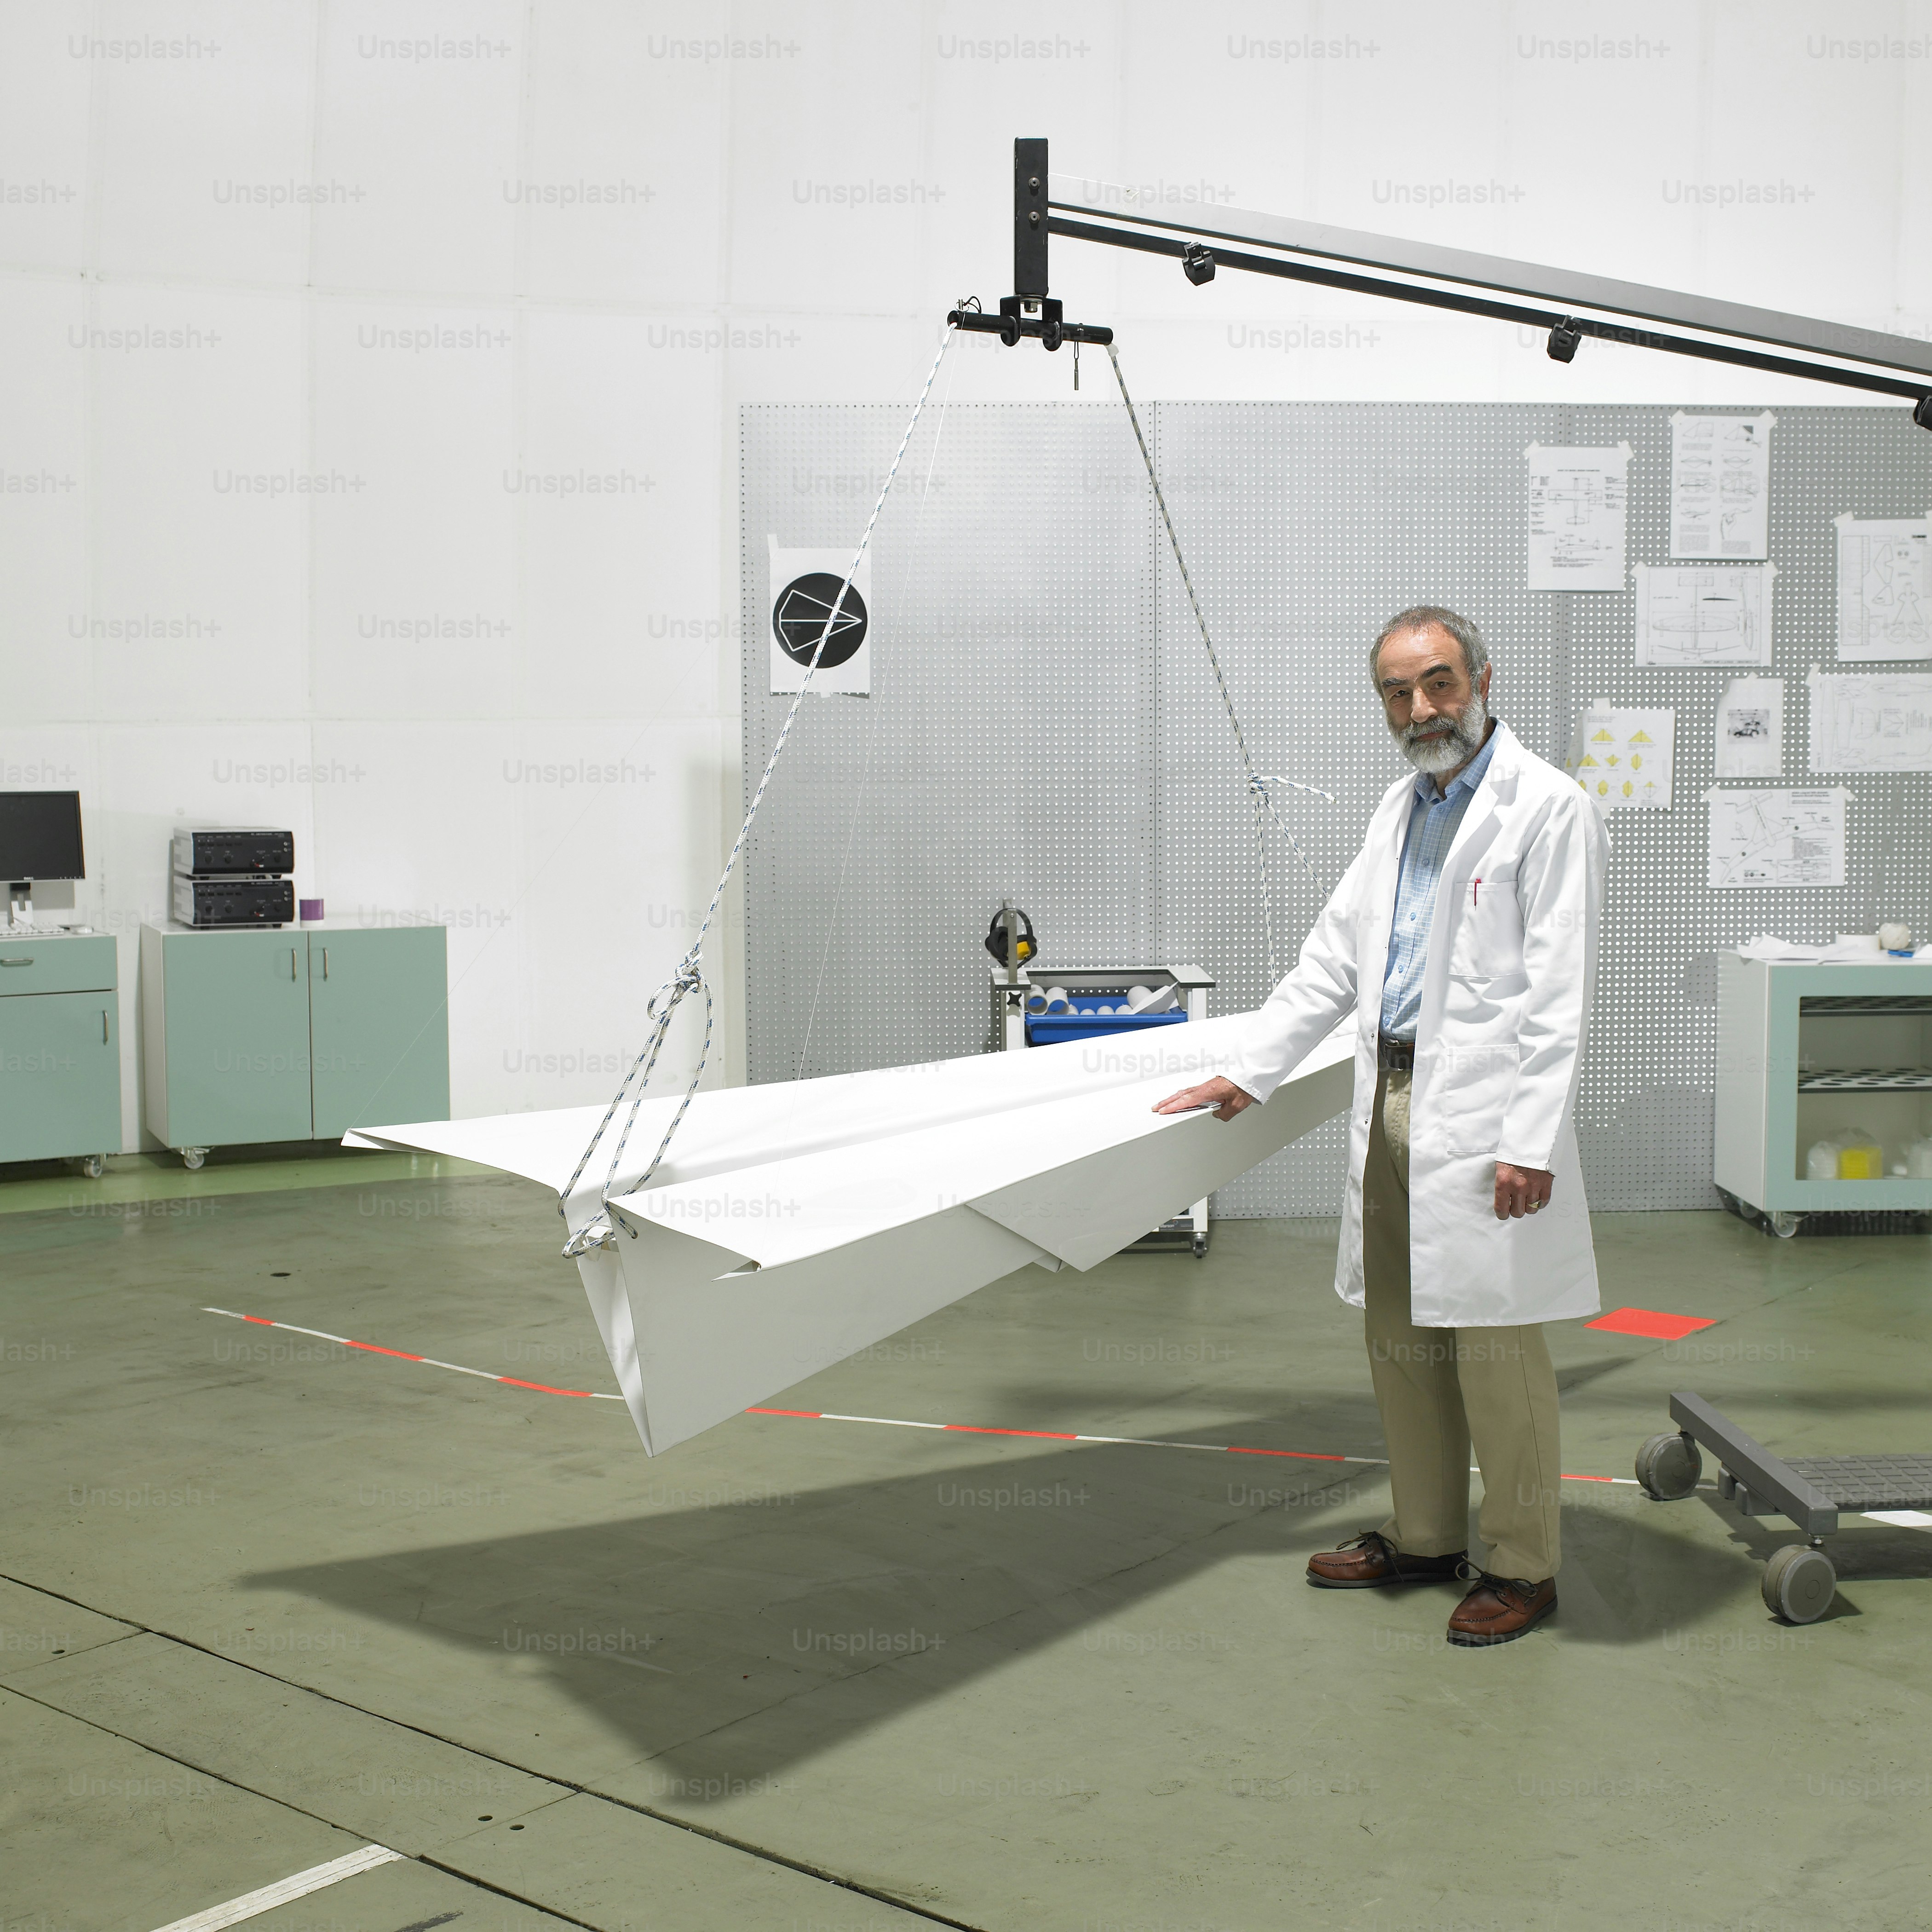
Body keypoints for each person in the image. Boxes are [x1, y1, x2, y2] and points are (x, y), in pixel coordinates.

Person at [1156, 606, 1606, 1646]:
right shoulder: (1397, 812)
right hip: (1392, 1098)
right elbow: (1333, 959)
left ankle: (1523, 1563)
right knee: (1400, 1334)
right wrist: (1252, 1071)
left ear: (1484, 678)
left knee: (1495, 1349)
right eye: (1398, 694)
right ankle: (1425, 1533)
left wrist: (1530, 1141)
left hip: (1487, 1114)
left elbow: (1561, 992)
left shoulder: (1547, 808)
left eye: (1439, 683)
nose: (1421, 709)